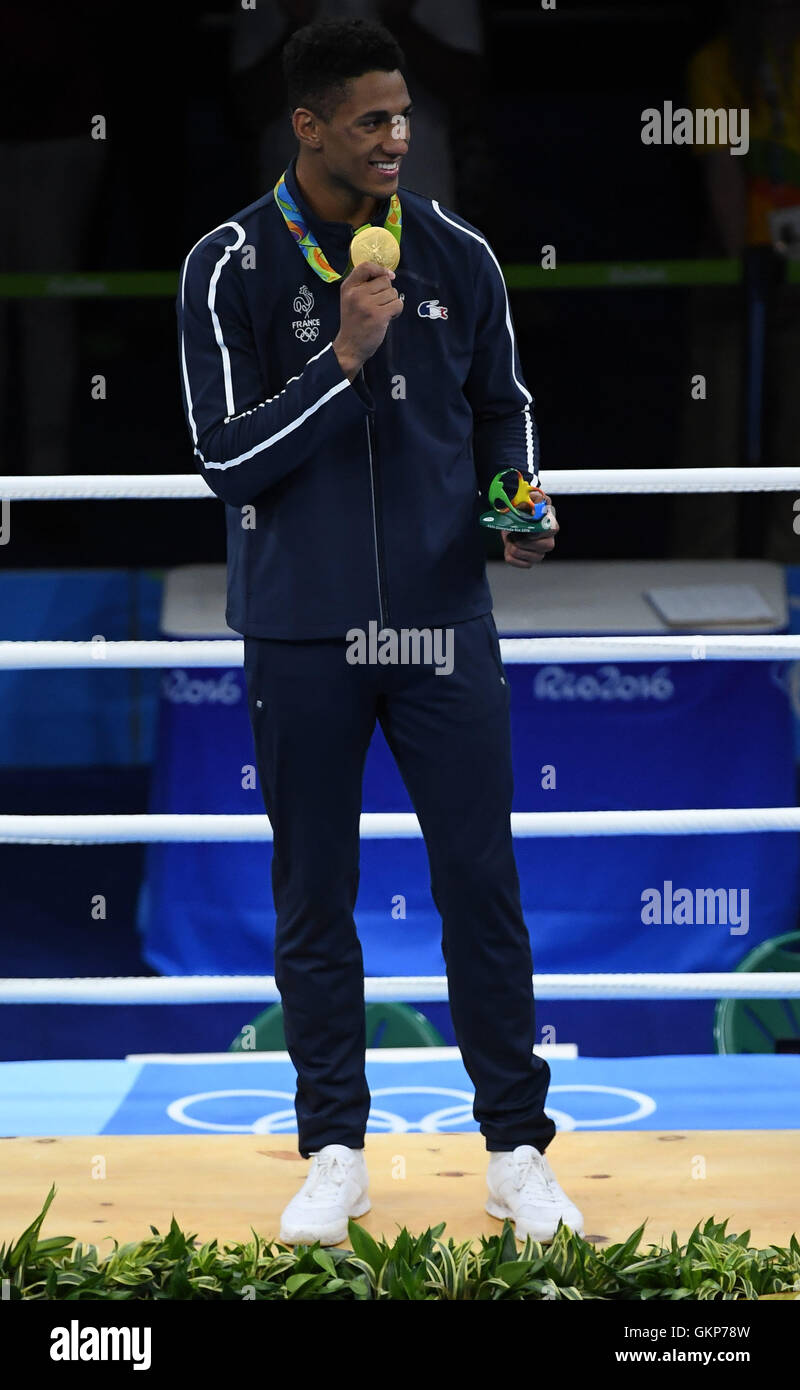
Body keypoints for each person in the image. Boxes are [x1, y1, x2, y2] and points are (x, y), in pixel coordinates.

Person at [177, 16, 583, 1248]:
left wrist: (516, 499)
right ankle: (334, 1154)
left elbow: (500, 411)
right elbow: (225, 462)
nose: (396, 138)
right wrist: (344, 358)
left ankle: (515, 1150)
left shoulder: (460, 257)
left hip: (444, 626)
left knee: (482, 890)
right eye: (369, 119)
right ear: (305, 126)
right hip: (300, 636)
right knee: (314, 900)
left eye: (403, 115)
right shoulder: (226, 268)